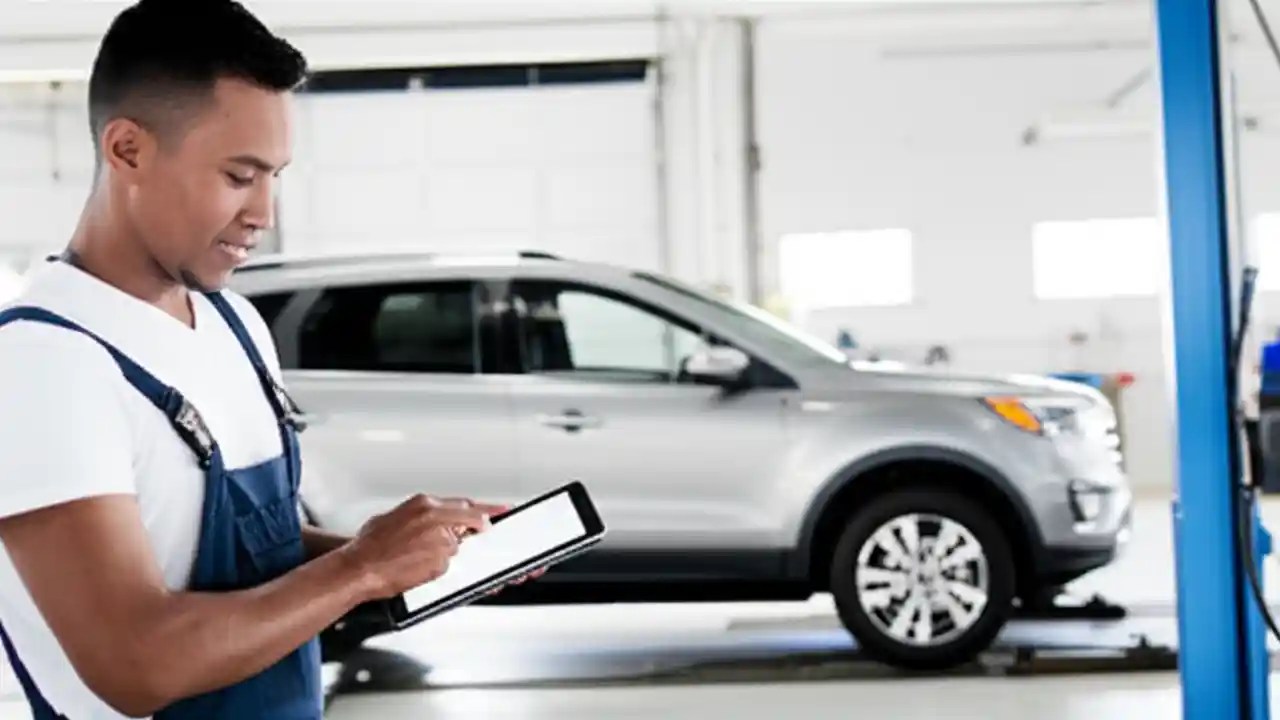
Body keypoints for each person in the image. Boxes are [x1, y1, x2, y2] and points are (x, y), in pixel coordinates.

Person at [0, 2, 529, 718]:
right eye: (238, 175)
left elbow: (240, 551)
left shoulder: (235, 323)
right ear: (127, 149)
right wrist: (360, 567)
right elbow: (135, 661)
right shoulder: (42, 363)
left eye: (275, 174)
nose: (265, 213)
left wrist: (401, 563)